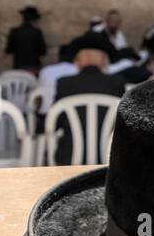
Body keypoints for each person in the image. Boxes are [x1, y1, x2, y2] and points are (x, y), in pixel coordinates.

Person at [53, 31, 127, 164]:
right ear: (104, 61)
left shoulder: (64, 83)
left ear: (78, 61)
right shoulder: (117, 82)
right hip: (108, 157)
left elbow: (55, 123)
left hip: (69, 158)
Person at [37, 38, 81, 110]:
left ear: (59, 56)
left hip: (46, 113)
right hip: (72, 114)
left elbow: (38, 96)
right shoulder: (78, 70)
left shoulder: (45, 71)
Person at [5, 6, 47, 73]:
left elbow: (8, 50)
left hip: (18, 66)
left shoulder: (14, 31)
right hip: (34, 67)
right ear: (34, 19)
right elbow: (43, 52)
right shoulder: (37, 32)